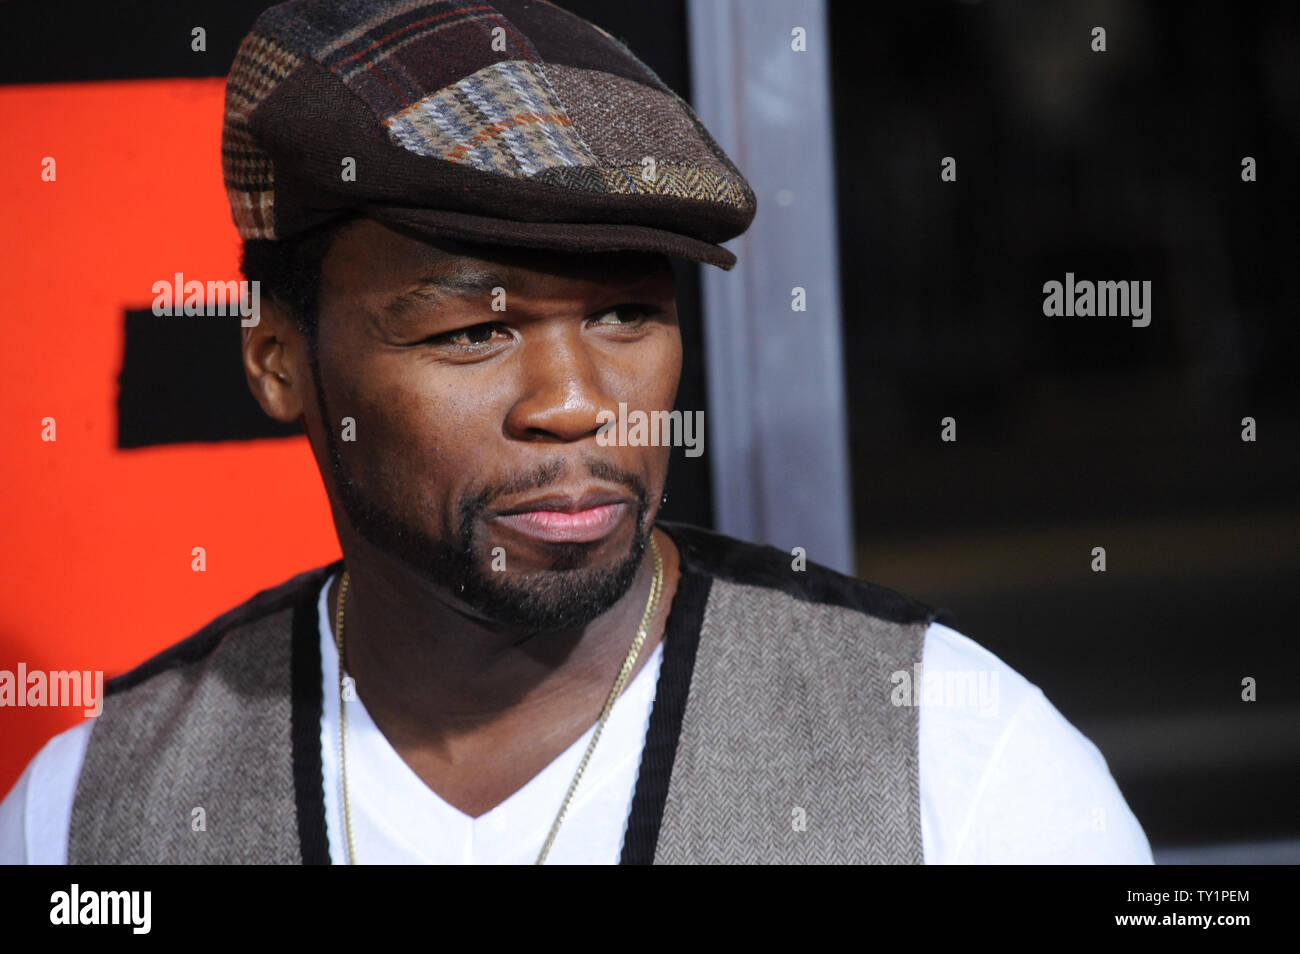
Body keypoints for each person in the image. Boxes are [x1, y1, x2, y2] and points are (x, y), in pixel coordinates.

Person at [0, 0, 1152, 864]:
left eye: (625, 315)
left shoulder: (952, 762)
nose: (576, 400)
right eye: (470, 334)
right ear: (280, 364)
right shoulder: (94, 808)